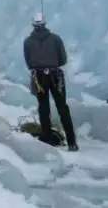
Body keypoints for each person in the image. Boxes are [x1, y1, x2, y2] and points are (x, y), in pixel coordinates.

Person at [23, 13, 78, 151]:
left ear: (33, 25)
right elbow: (63, 59)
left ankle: (47, 139)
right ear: (45, 24)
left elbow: (29, 63)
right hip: (55, 76)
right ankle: (72, 143)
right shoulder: (56, 39)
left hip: (39, 78)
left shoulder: (28, 42)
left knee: (43, 108)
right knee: (62, 108)